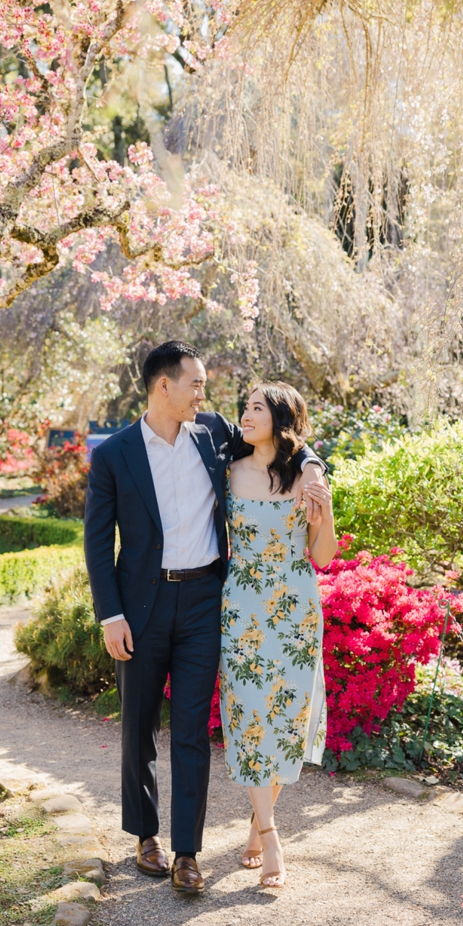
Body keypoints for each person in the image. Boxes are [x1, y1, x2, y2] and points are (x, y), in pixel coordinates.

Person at [85, 341, 328, 894]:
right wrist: (111, 616)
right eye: (195, 383)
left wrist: (313, 466)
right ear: (162, 386)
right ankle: (145, 834)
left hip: (204, 602)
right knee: (139, 727)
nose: (204, 393)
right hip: (140, 607)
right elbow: (98, 545)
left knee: (193, 730)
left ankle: (187, 855)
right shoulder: (114, 455)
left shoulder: (213, 431)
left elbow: (286, 437)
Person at [220, 382, 337, 889]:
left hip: (295, 610)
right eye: (244, 406)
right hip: (241, 607)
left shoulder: (305, 478)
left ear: (281, 418)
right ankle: (269, 836)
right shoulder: (227, 469)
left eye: (257, 408)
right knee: (248, 717)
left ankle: (255, 825)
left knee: (285, 719)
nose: (245, 414)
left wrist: (325, 505)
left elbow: (325, 556)